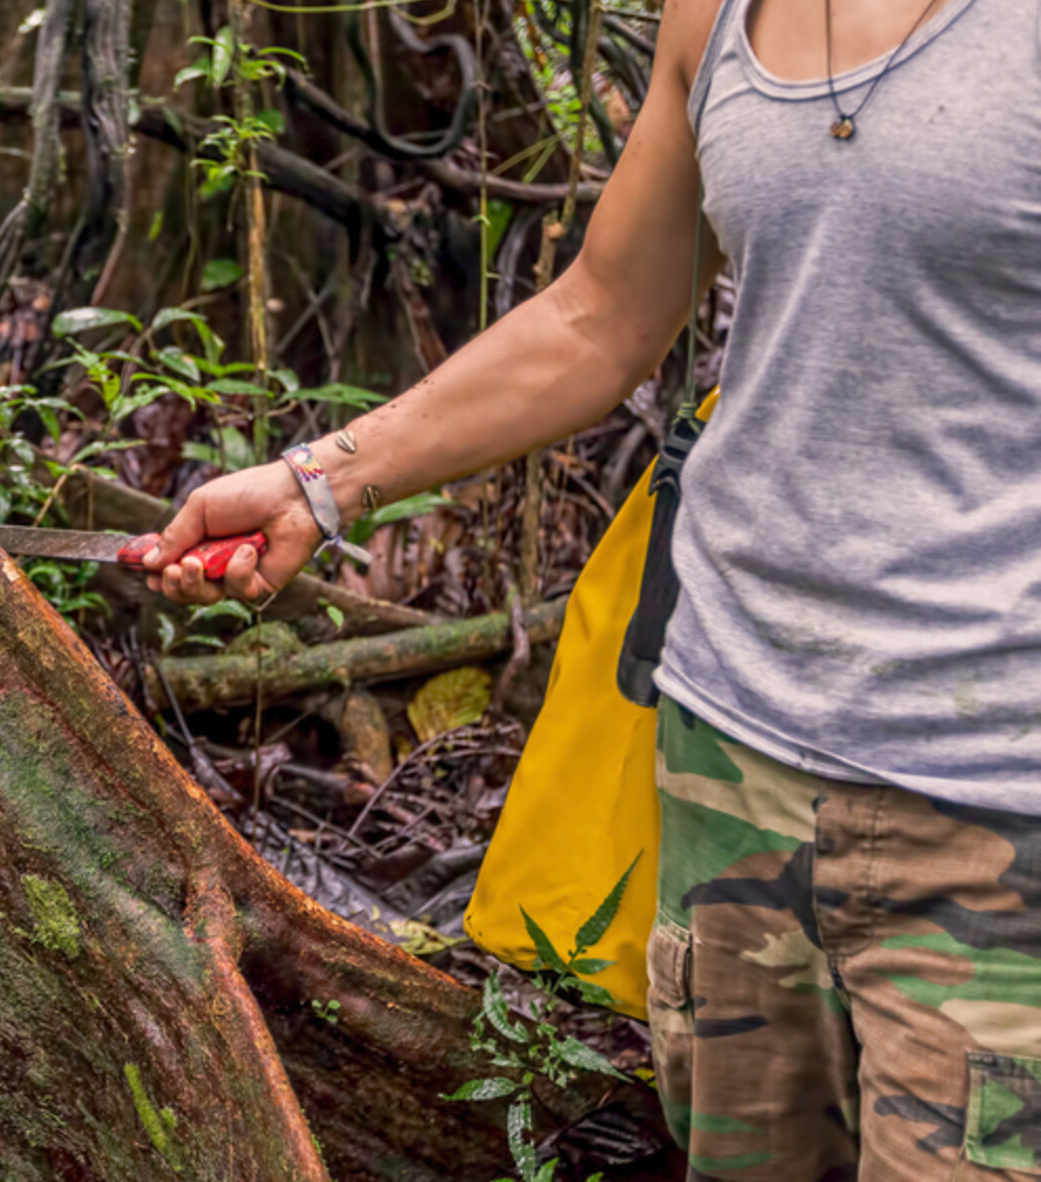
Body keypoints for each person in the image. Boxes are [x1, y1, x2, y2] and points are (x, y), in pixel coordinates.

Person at [143, 0, 1041, 1173]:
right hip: (730, 755)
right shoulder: (713, 18)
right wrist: (318, 483)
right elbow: (601, 316)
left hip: (992, 799)